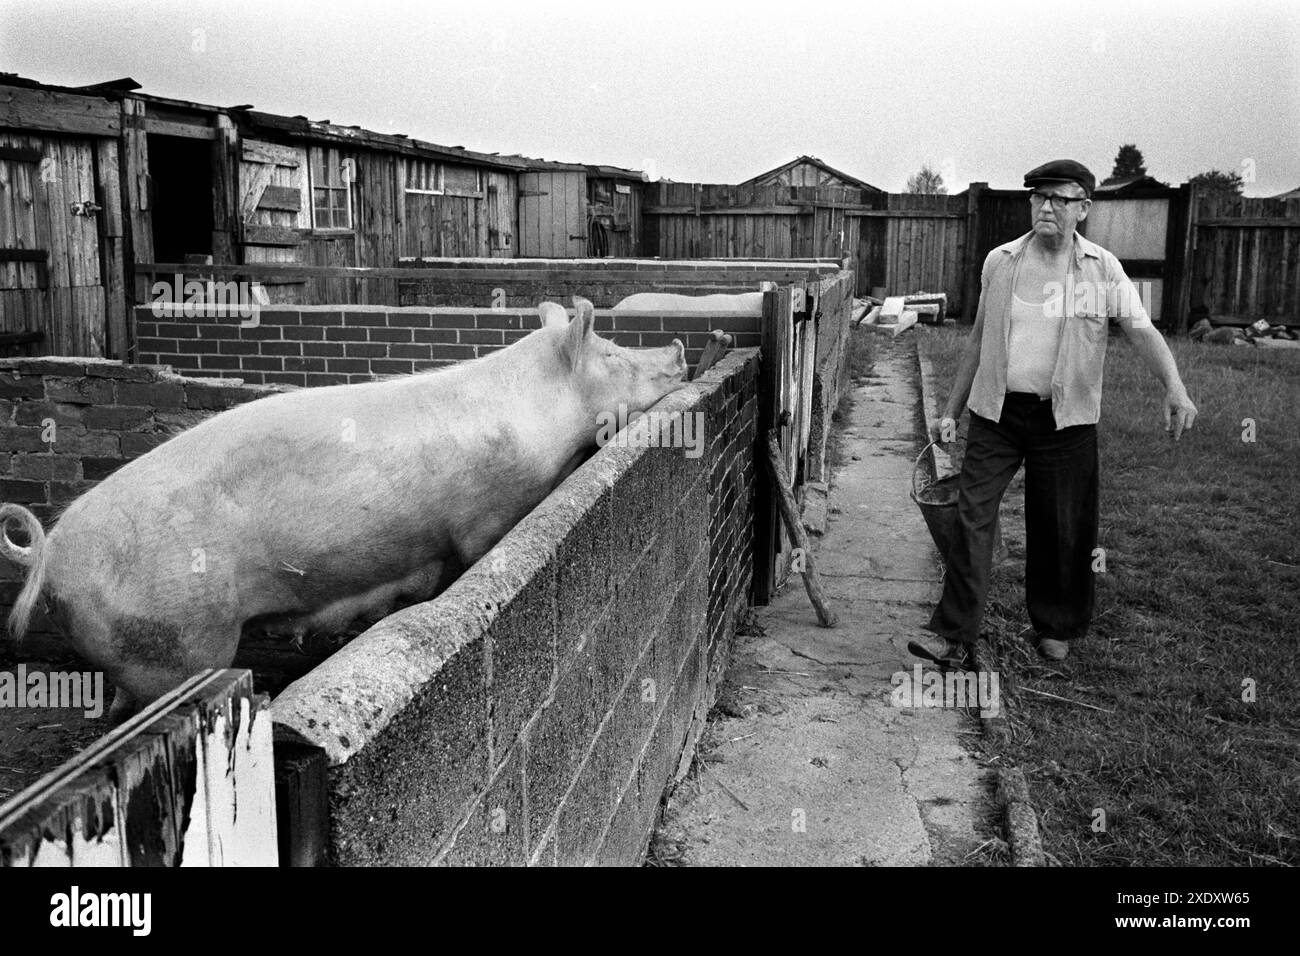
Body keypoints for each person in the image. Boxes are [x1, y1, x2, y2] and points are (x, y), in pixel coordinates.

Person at [907, 159, 1197, 669]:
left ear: (1083, 208)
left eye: (1060, 199)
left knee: (1060, 525)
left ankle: (1055, 624)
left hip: (1066, 420)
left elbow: (1141, 330)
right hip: (997, 412)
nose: (1047, 207)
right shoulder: (1001, 261)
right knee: (972, 515)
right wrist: (951, 409)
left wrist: (1175, 388)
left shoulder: (1101, 269)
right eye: (1039, 197)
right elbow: (977, 340)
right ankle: (953, 633)